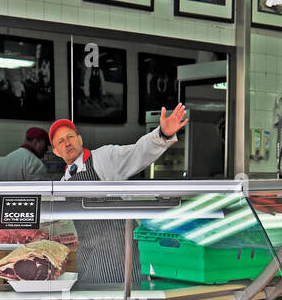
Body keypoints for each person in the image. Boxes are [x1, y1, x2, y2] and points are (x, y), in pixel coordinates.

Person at [50, 105, 188, 285]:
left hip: (122, 256)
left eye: (70, 137)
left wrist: (162, 134)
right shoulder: (62, 184)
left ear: (79, 139)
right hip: (90, 263)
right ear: (56, 151)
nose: (67, 143)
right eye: (60, 141)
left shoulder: (104, 158)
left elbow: (137, 152)